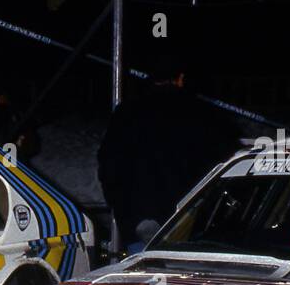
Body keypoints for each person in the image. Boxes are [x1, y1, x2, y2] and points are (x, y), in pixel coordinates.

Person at [96, 52, 238, 254]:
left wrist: (124, 213)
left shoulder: (126, 113)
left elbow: (109, 167)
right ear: (180, 78)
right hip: (187, 220)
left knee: (143, 276)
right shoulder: (204, 114)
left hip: (137, 218)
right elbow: (222, 165)